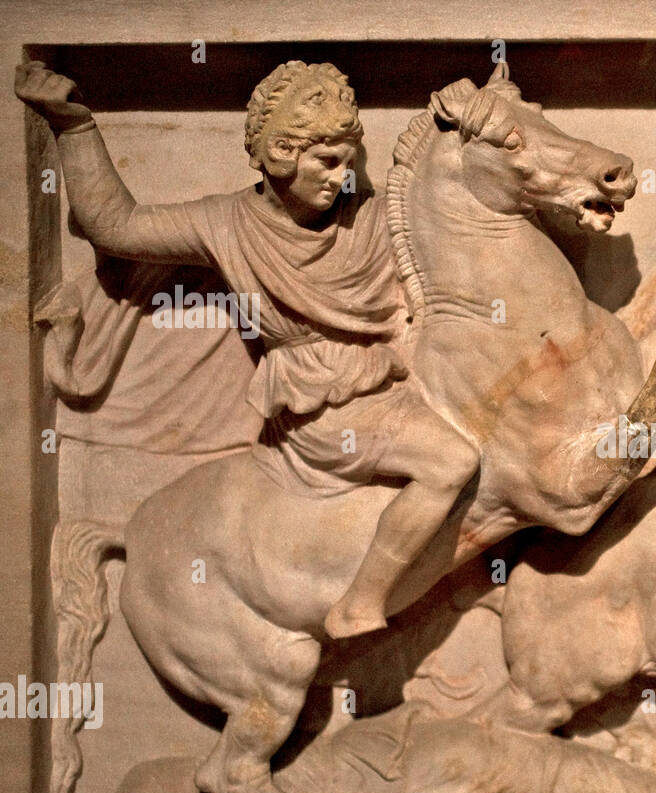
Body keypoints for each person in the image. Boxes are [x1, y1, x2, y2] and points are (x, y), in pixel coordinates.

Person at [15, 59, 481, 640]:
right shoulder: (226, 224)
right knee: (453, 463)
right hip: (325, 403)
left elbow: (460, 209)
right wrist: (76, 127)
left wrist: (470, 118)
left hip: (397, 371)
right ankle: (359, 602)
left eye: (348, 160)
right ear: (281, 154)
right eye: (326, 161)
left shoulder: (373, 215)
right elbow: (116, 225)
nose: (343, 176)